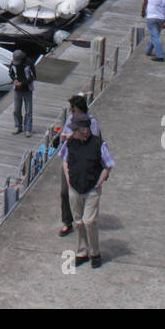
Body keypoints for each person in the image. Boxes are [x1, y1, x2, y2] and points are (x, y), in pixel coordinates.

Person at [62, 114, 114, 268]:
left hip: (91, 189)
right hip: (75, 187)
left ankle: (95, 252)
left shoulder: (98, 144)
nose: (72, 133)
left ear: (84, 130)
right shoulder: (70, 143)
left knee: (89, 221)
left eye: (75, 130)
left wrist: (100, 181)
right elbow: (64, 160)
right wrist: (68, 178)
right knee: (78, 221)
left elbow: (108, 164)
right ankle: (82, 251)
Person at [58, 96, 99, 237]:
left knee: (84, 193)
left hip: (84, 162)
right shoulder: (70, 120)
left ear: (80, 109)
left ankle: (82, 220)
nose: (71, 113)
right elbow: (64, 133)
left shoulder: (91, 122)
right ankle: (67, 222)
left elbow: (93, 141)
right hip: (70, 158)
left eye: (73, 110)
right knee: (65, 191)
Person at [9, 49, 35, 135]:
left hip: (27, 89)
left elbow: (33, 76)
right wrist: (14, 80)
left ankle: (28, 129)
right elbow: (11, 73)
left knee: (28, 111)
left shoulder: (28, 63)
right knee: (16, 109)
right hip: (17, 90)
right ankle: (18, 126)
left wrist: (23, 83)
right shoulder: (13, 63)